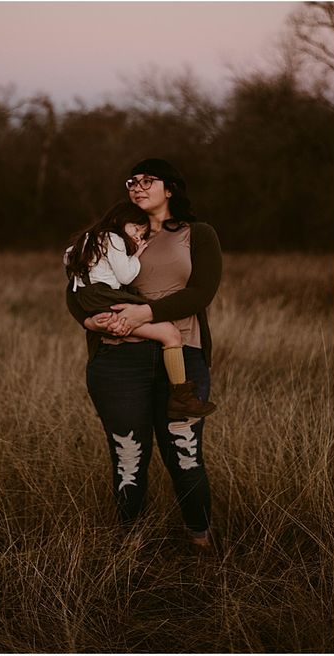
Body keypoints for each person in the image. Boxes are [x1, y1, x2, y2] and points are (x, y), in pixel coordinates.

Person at [65, 158, 224, 550]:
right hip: (118, 361)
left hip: (182, 356)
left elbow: (201, 292)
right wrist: (90, 323)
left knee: (184, 458)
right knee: (128, 458)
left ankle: (201, 540)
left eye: (147, 180)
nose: (136, 185)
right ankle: (131, 549)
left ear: (169, 189)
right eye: (131, 180)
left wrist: (146, 312)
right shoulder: (112, 234)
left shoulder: (197, 233)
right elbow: (77, 288)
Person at [64, 200, 217, 418]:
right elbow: (126, 275)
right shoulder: (114, 238)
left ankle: (123, 404)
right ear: (119, 221)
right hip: (105, 296)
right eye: (136, 230)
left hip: (92, 298)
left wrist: (90, 315)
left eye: (142, 234)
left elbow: (68, 259)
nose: (137, 237)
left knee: (126, 321)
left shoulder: (88, 239)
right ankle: (181, 397)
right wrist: (135, 256)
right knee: (171, 334)